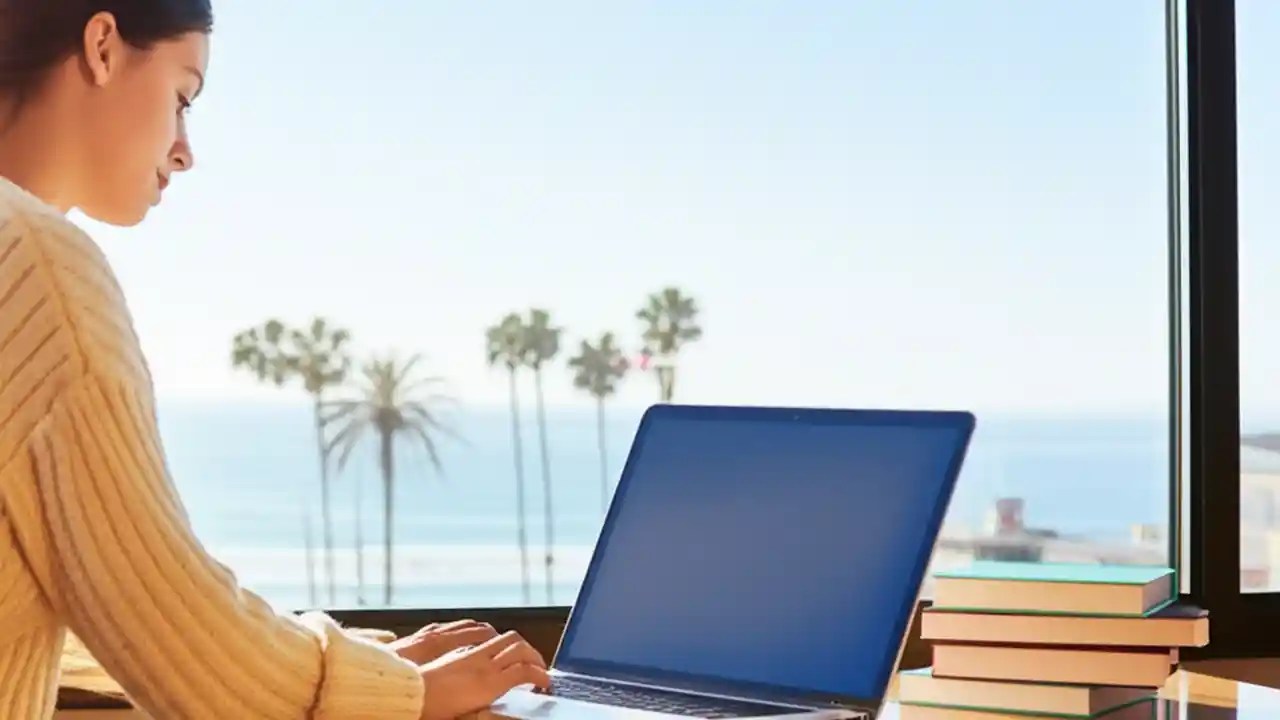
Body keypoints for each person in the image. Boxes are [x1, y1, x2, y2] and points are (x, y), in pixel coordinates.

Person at [0, 2, 551, 718]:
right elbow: (176, 637)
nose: (184, 149)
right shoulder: (37, 264)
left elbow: (88, 615)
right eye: (182, 97)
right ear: (102, 46)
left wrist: (347, 661)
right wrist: (397, 693)